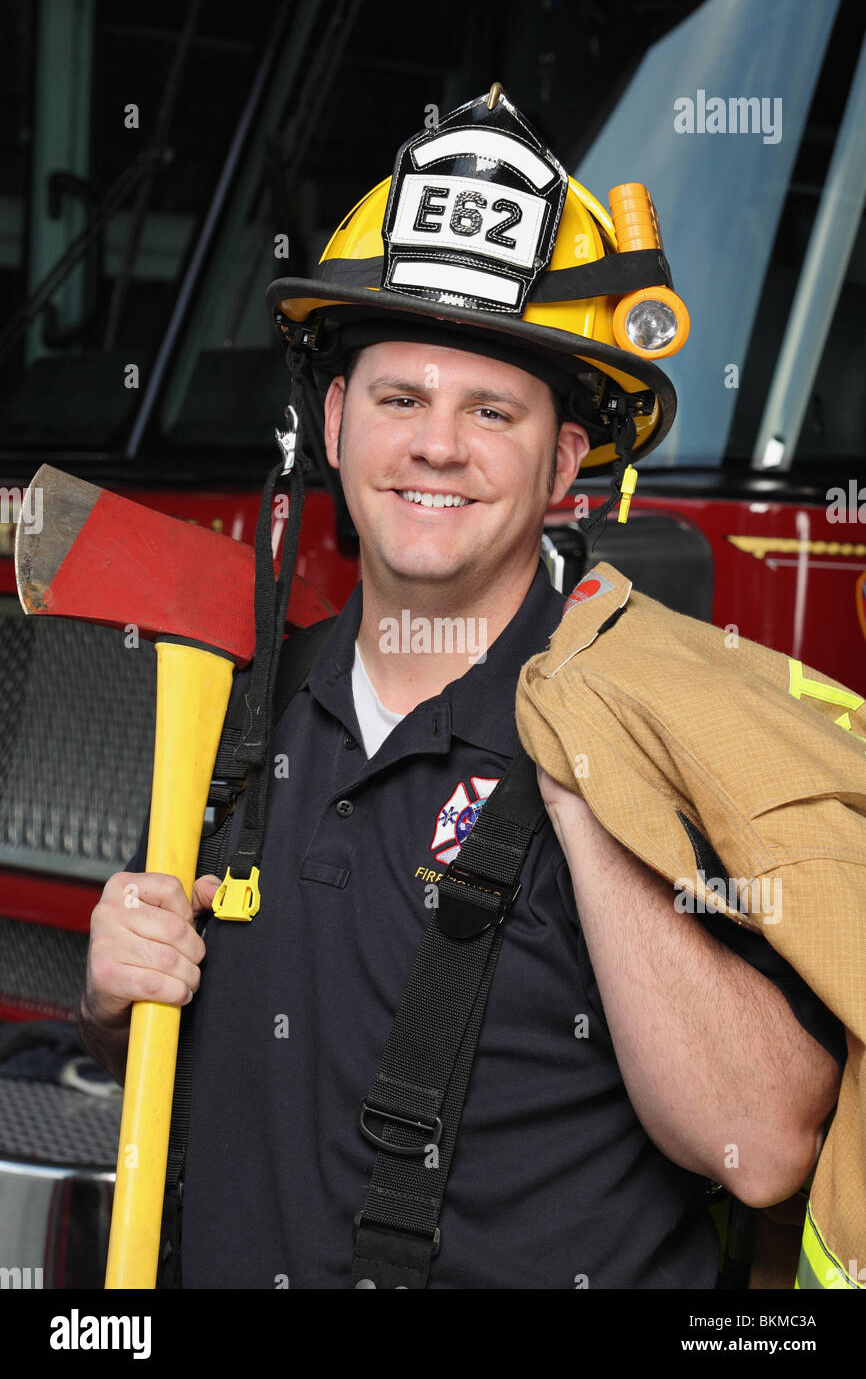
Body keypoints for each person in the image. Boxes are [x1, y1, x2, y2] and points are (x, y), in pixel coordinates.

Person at [78, 88, 845, 1289]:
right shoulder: (240, 717)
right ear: (334, 423)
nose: (436, 445)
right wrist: (113, 995)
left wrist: (585, 781)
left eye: (490, 409)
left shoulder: (662, 731)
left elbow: (756, 1149)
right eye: (399, 398)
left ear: (561, 465)